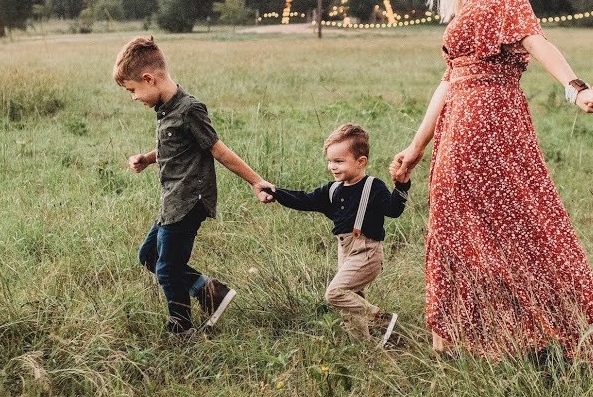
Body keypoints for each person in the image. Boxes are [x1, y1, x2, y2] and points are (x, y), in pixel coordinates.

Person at [389, 0, 593, 363]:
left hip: (489, 123)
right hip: (460, 123)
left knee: (522, 228)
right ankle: (468, 337)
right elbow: (449, 80)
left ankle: (540, 332)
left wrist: (575, 89)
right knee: (457, 227)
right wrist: (415, 147)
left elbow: (536, 39)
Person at [113, 34, 275, 336]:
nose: (133, 98)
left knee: (167, 269)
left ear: (149, 79)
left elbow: (219, 151)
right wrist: (148, 158)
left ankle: (181, 329)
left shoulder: (189, 109)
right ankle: (209, 292)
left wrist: (257, 182)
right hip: (171, 200)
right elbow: (175, 149)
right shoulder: (165, 110)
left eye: (133, 90)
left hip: (189, 201)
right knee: (149, 256)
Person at [259, 123, 409, 347]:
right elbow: (305, 199)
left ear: (361, 162)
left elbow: (394, 210)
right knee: (351, 304)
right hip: (345, 251)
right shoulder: (332, 190)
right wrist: (276, 192)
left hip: (367, 252)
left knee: (336, 293)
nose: (333, 167)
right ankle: (364, 349)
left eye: (339, 161)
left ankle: (382, 319)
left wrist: (401, 185)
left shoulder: (372, 187)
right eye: (330, 161)